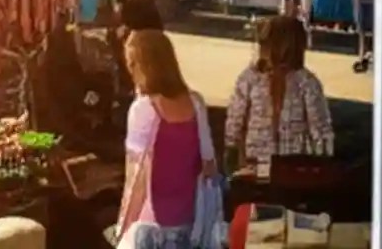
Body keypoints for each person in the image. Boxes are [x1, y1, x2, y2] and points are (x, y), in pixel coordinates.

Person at [114, 30, 218, 248]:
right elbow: (209, 165)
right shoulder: (196, 104)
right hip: (188, 225)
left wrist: (121, 230)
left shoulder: (143, 109)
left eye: (133, 64)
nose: (129, 71)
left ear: (145, 67)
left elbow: (135, 180)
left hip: (149, 227)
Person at [225, 16, 334, 168]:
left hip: (264, 166)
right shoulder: (307, 82)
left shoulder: (250, 79)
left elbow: (233, 128)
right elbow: (321, 133)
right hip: (287, 168)